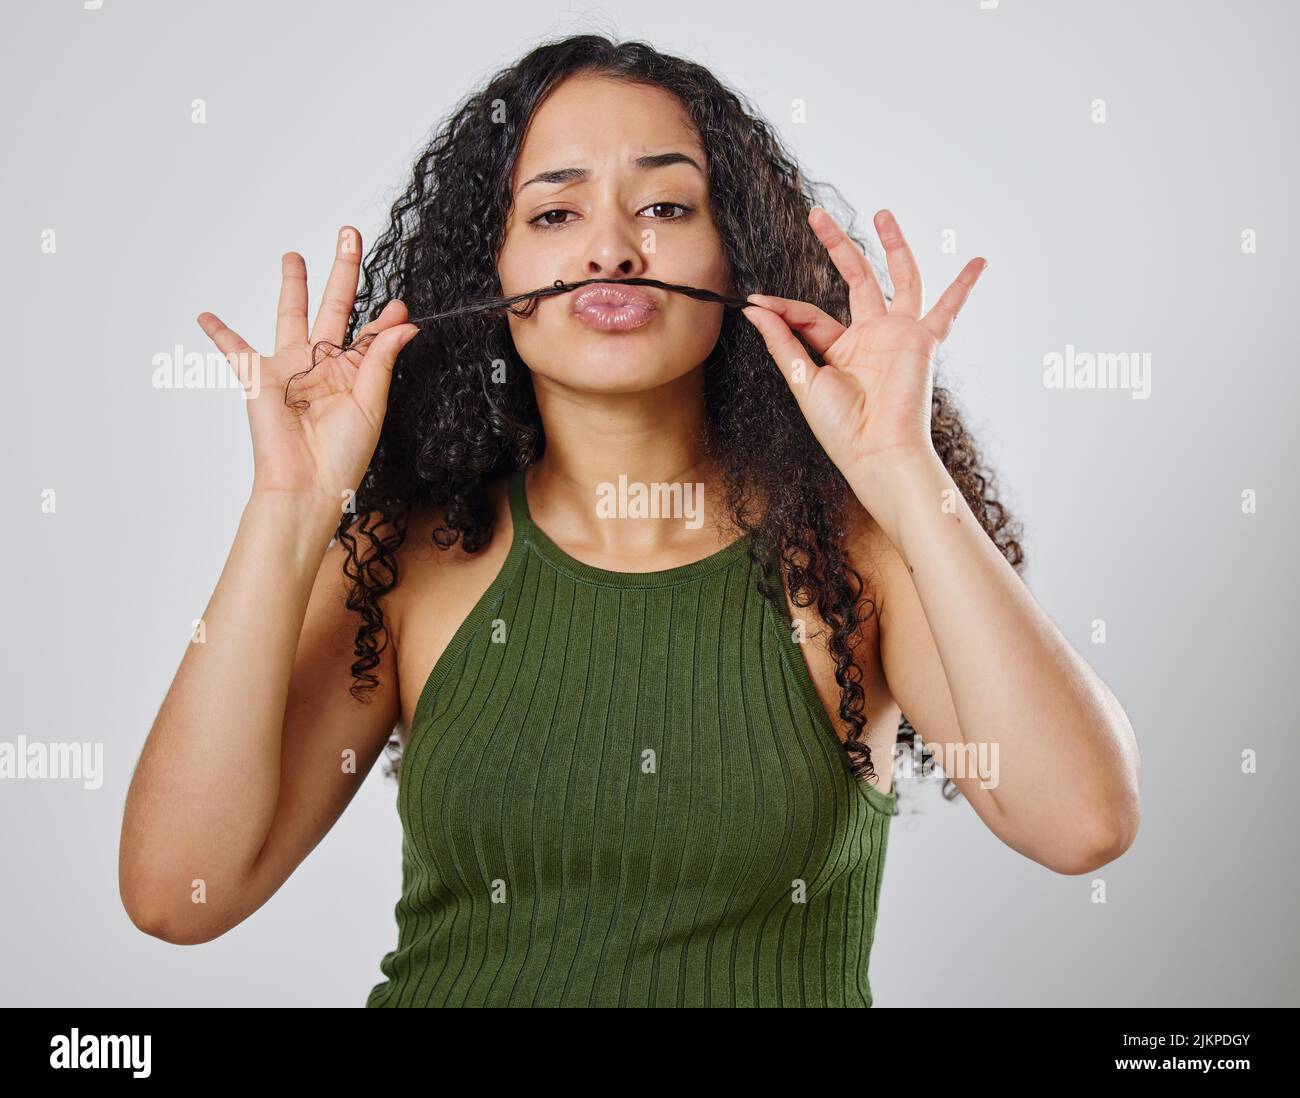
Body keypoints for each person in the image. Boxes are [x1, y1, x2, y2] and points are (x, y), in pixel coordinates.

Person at [119, 33, 1141, 1008]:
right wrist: (290, 509)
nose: (610, 249)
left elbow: (1081, 823)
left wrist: (904, 475)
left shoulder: (852, 555)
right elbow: (177, 895)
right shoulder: (419, 559)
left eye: (663, 204)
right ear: (495, 274)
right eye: (554, 216)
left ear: (735, 257)